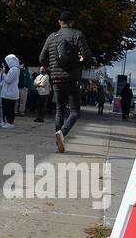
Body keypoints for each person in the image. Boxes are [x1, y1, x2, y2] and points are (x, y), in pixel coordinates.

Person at [38, 10, 94, 153]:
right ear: (72, 22)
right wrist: (79, 60)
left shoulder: (52, 37)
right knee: (75, 111)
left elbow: (41, 58)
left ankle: (59, 140)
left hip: (56, 79)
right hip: (72, 78)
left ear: (59, 22)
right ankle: (62, 133)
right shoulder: (77, 34)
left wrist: (51, 67)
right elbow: (87, 55)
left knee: (60, 109)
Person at [0, 54, 21, 128]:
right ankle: (9, 121)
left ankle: (10, 122)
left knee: (9, 108)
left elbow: (8, 80)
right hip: (11, 92)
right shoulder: (16, 69)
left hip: (10, 93)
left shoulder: (13, 69)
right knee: (9, 108)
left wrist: (3, 73)